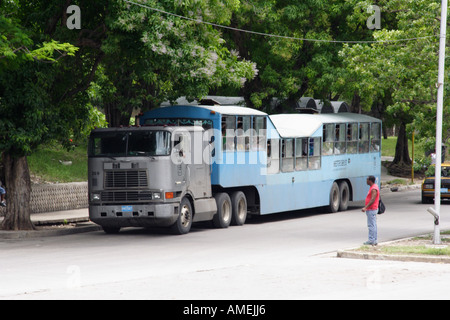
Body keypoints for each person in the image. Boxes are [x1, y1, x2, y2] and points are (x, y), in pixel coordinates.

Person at [361, 175, 379, 246]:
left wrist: (365, 207)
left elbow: (372, 199)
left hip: (371, 209)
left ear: (370, 181)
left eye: (367, 180)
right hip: (372, 209)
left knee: (371, 225)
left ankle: (371, 240)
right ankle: (374, 240)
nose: (366, 181)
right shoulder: (373, 187)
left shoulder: (374, 188)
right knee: (373, 224)